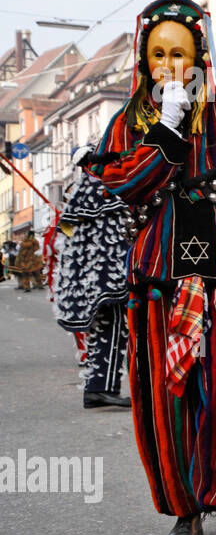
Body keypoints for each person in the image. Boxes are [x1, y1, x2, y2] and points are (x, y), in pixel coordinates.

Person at [88, 0, 216, 535]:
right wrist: (168, 129)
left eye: (180, 55)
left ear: (199, 59)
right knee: (164, 394)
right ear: (144, 61)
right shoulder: (130, 125)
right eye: (159, 56)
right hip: (159, 274)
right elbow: (129, 186)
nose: (170, 68)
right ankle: (184, 507)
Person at [52, 147, 132, 408]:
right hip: (108, 280)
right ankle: (100, 389)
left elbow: (66, 228)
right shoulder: (104, 189)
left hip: (93, 280)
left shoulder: (81, 190)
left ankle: (98, 388)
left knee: (108, 331)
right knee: (113, 328)